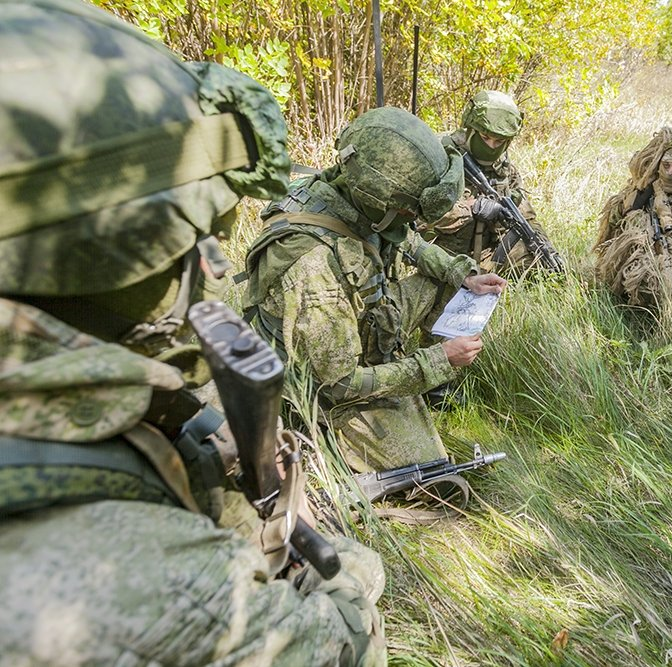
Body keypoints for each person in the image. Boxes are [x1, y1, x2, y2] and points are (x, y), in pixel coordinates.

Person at [0, 1, 387, 664]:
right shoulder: (129, 577)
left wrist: (201, 460)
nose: (212, 266)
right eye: (195, 239)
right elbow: (338, 636)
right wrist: (338, 554)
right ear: (104, 256)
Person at [240, 106, 506, 507]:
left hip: (358, 324)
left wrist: (460, 273)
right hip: (316, 385)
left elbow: (405, 240)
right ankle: (329, 441)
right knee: (437, 478)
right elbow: (340, 384)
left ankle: (425, 390)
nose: (411, 219)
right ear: (381, 200)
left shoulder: (342, 194)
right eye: (407, 210)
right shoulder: (315, 268)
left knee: (444, 285)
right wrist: (437, 362)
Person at [418, 90, 555, 271]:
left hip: (487, 256)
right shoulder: (441, 158)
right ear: (471, 129)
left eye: (499, 141)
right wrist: (472, 208)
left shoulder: (503, 168)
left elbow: (526, 217)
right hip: (443, 257)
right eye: (485, 137)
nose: (491, 146)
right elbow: (418, 218)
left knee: (538, 267)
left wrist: (544, 247)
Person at [593, 123, 672, 308]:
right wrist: (628, 207)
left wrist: (637, 218)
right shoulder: (643, 190)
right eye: (666, 165)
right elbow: (612, 225)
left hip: (668, 282)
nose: (670, 173)